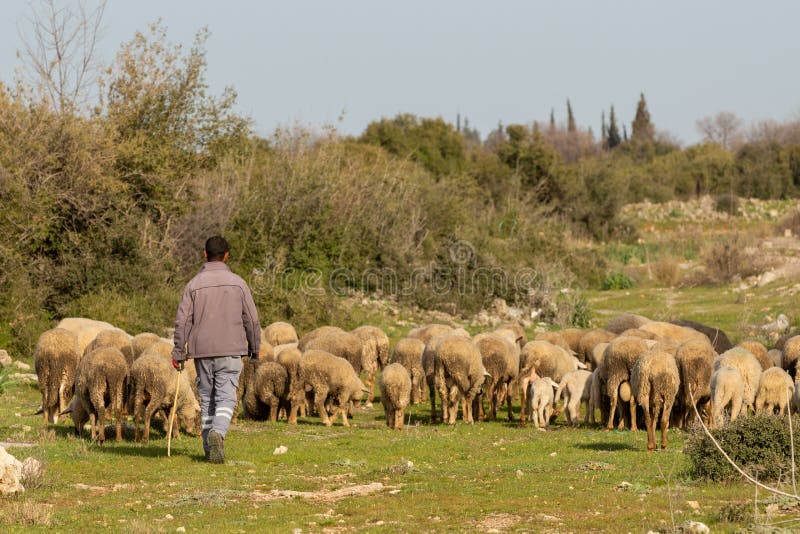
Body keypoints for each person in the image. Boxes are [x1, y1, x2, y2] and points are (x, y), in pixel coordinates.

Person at [171, 235, 260, 463]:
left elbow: (182, 322)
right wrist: (255, 348)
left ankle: (209, 451)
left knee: (207, 399)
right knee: (226, 397)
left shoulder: (193, 285)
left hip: (202, 352)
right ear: (227, 255)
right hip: (230, 350)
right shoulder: (238, 283)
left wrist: (179, 352)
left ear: (204, 253)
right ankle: (218, 433)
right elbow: (251, 319)